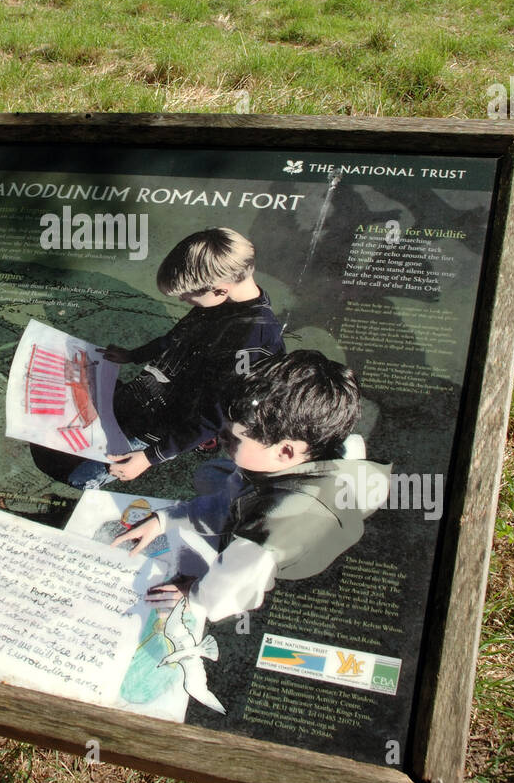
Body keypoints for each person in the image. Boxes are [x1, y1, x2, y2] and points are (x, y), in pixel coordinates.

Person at [112, 350, 390, 622]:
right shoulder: (305, 444)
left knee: (230, 513)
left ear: (286, 452)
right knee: (212, 475)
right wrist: (166, 519)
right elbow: (228, 497)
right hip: (307, 492)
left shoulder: (273, 529)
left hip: (288, 541)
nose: (220, 440)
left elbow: (231, 589)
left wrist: (193, 595)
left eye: (233, 439)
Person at [70, 227, 283, 488]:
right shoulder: (219, 302)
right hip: (156, 398)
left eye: (188, 297)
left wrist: (148, 458)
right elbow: (176, 337)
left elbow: (214, 417)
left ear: (220, 290)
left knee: (82, 478)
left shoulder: (253, 338)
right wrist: (133, 355)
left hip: (171, 426)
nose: (184, 300)